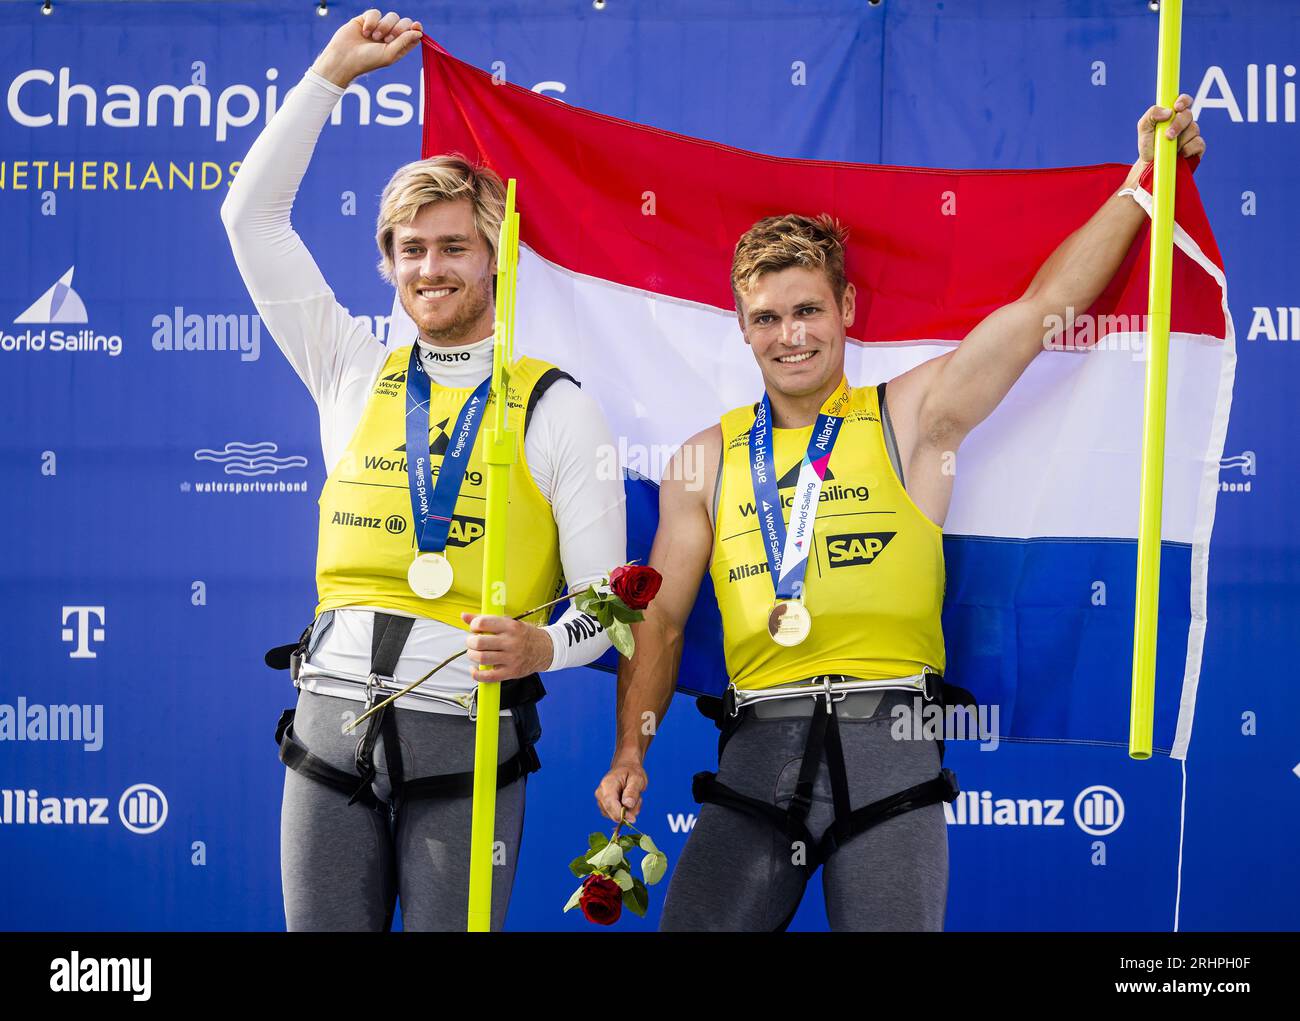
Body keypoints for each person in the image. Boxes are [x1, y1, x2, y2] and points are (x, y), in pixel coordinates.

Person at [595, 96, 1206, 931]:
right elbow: (661, 619)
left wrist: (1144, 185)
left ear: (847, 309)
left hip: (893, 742)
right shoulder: (705, 457)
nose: (791, 335)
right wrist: (634, 745)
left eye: (808, 310)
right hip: (757, 745)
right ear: (741, 328)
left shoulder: (912, 415)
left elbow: (1037, 311)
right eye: (767, 318)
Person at [221, 9, 626, 931]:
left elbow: (611, 600)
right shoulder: (352, 368)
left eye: (453, 247)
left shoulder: (558, 404)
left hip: (469, 747)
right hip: (329, 735)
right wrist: (329, 73)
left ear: (496, 258)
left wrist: (544, 648)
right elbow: (250, 219)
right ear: (388, 263)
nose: (430, 268)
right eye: (411, 249)